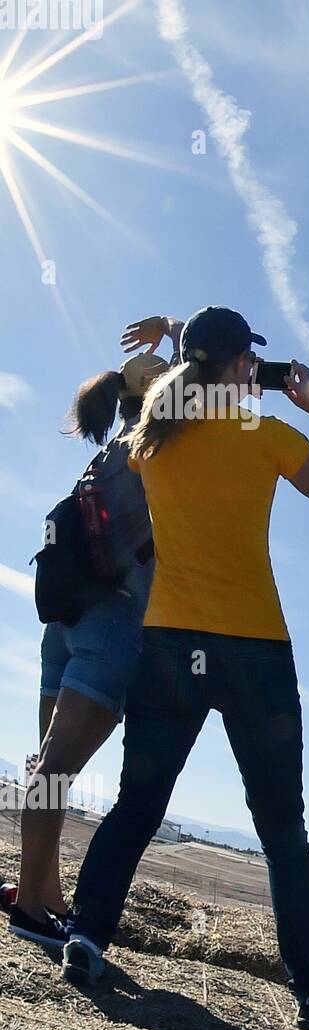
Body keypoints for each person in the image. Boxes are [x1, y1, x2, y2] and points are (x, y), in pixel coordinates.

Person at [61, 306, 309, 1030]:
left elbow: (158, 385)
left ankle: (86, 934)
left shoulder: (151, 438)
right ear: (236, 367)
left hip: (168, 644)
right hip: (254, 647)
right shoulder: (267, 434)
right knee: (283, 827)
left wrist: (176, 344)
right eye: (246, 361)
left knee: (138, 802)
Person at [3, 348, 170, 947]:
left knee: (47, 767)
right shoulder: (146, 444)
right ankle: (30, 911)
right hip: (113, 623)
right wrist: (176, 333)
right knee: (55, 769)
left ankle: (39, 894)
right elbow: (195, 375)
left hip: (65, 622)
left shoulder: (113, 444)